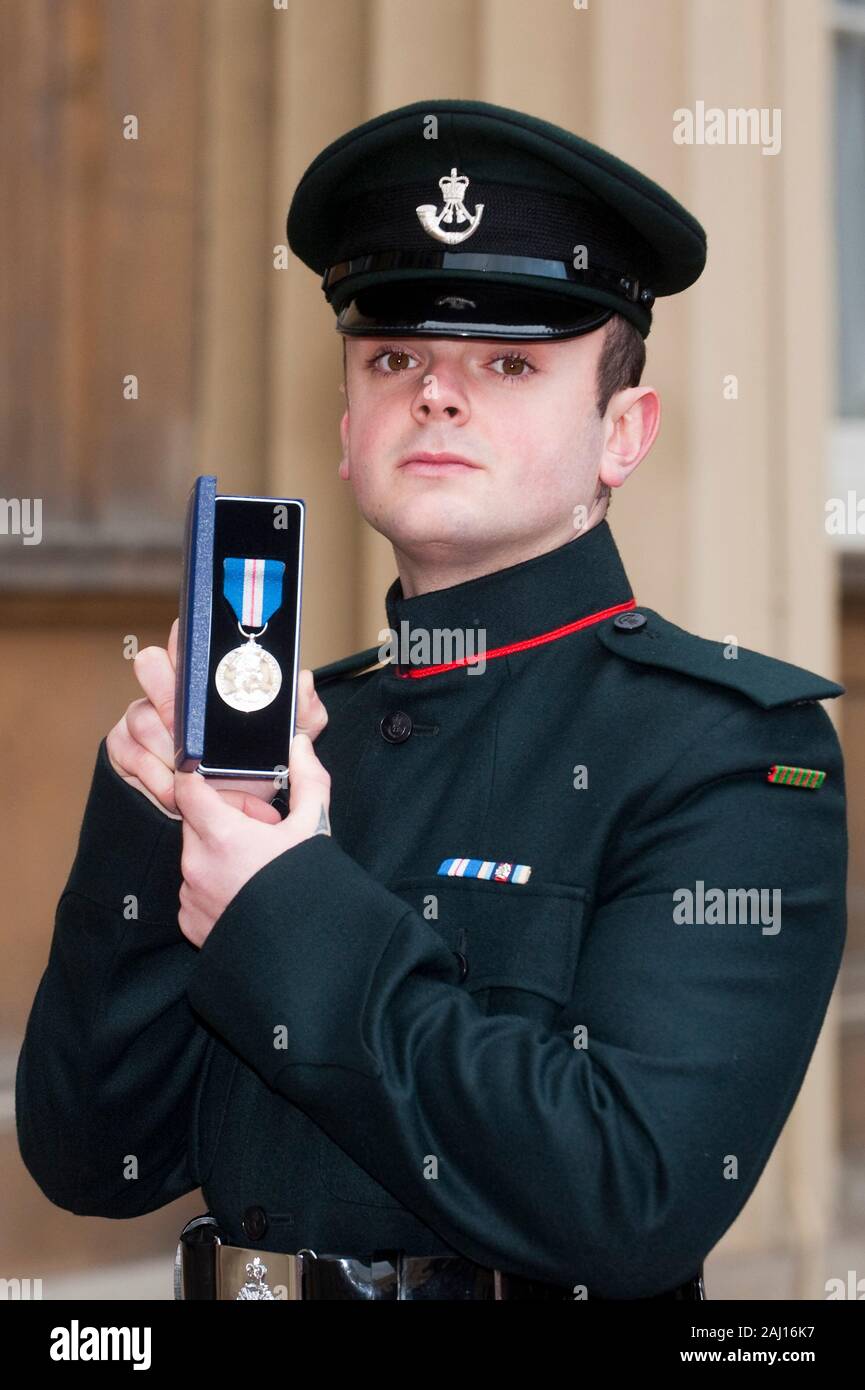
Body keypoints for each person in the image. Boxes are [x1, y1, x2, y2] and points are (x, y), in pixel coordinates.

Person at [16, 99, 847, 1302]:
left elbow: (630, 1194)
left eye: (510, 362)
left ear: (624, 431)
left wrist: (285, 906)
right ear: (349, 429)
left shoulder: (732, 754)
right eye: (395, 356)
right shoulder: (303, 731)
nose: (437, 395)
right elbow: (94, 1158)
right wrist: (153, 818)